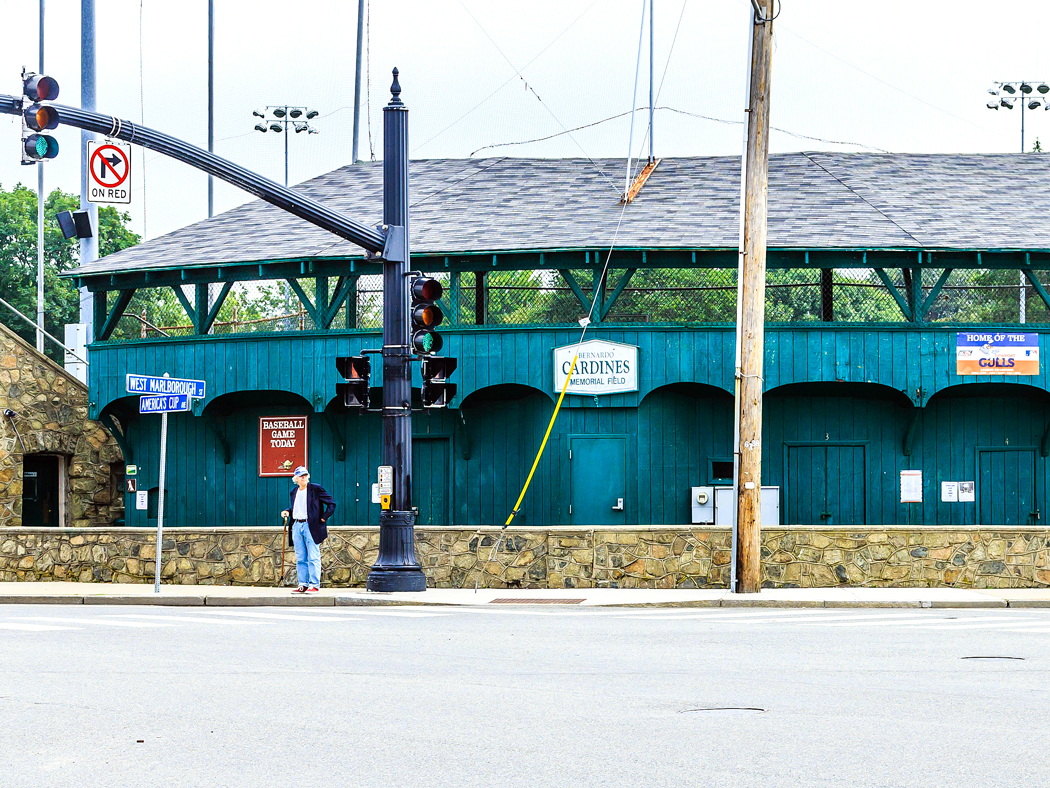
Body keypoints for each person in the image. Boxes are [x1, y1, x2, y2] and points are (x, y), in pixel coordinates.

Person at [280, 466, 336, 594]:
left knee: (313, 556)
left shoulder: (315, 489)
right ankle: (303, 584)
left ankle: (314, 584)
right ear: (296, 479)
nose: (304, 477)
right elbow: (296, 508)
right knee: (300, 557)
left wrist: (323, 518)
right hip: (296, 525)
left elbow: (331, 504)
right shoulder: (294, 492)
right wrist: (288, 511)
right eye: (301, 476)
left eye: (305, 475)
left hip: (311, 525)